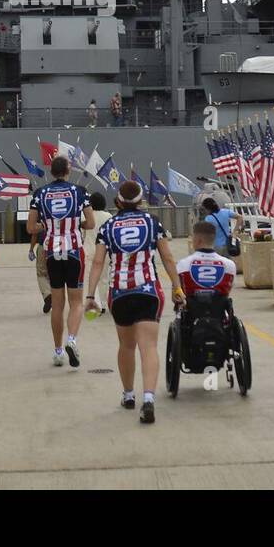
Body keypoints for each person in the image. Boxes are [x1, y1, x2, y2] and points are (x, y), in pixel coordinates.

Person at [84, 180, 183, 423]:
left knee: (126, 346)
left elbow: (98, 263)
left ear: (118, 202)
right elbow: (168, 257)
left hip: (119, 293)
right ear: (140, 201)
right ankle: (148, 398)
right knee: (148, 346)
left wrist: (90, 296)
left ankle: (129, 394)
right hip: (148, 291)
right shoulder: (152, 223)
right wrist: (177, 287)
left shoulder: (108, 227)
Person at [27, 155, 95, 366]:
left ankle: (57, 351)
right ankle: (72, 340)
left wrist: (46, 226)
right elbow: (91, 223)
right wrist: (77, 225)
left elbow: (31, 228)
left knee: (57, 304)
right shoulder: (80, 192)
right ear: (67, 171)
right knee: (76, 302)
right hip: (74, 249)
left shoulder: (40, 194)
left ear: (51, 172)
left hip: (52, 251)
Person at [176, 220, 237, 298]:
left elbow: (177, 295)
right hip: (218, 309)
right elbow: (227, 292)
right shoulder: (230, 265)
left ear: (198, 240)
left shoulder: (183, 264)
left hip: (192, 309)